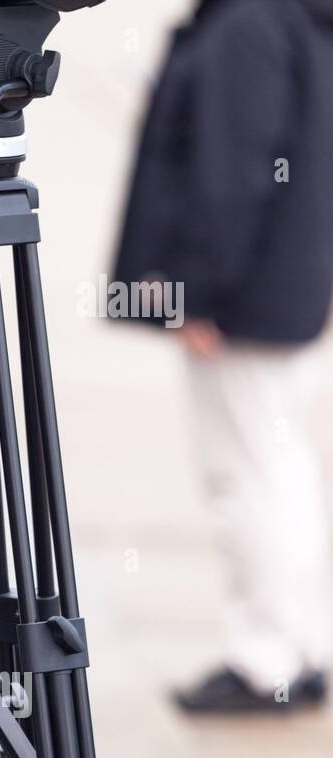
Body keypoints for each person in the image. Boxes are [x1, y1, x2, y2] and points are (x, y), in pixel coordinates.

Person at [112, 0, 333, 714]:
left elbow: (233, 172)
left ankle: (266, 658)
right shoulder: (290, 16)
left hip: (246, 295)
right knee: (279, 467)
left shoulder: (251, 22)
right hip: (286, 282)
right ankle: (298, 645)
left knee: (247, 476)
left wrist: (197, 293)